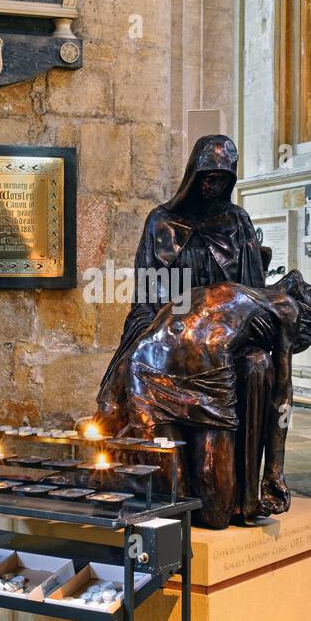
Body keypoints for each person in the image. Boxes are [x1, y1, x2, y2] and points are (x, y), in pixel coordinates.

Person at [122, 271, 311, 530]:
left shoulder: (225, 291)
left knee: (174, 496)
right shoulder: (288, 308)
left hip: (147, 364)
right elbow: (281, 399)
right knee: (207, 511)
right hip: (173, 375)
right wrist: (275, 470)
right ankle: (112, 478)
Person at [97, 135, 265, 429]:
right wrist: (153, 332)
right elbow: (146, 296)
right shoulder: (160, 221)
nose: (211, 187)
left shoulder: (237, 221)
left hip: (223, 335)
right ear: (193, 175)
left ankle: (249, 472)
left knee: (257, 365)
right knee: (131, 374)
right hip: (170, 331)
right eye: (207, 178)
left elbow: (254, 294)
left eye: (221, 180)